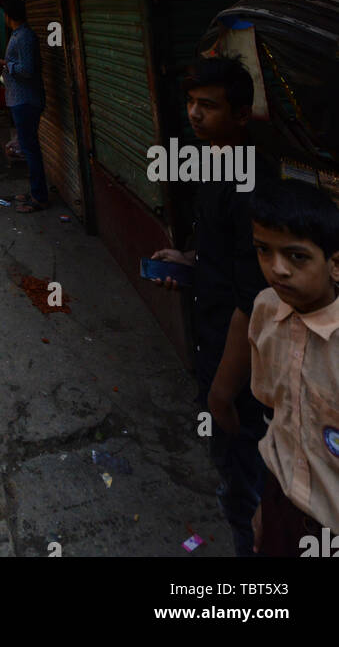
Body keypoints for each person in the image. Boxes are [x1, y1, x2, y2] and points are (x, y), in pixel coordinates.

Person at [151, 55, 278, 557]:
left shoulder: (252, 187)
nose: (195, 114)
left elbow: (255, 300)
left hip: (240, 367)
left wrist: (222, 392)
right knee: (233, 472)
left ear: (243, 114)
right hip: (213, 345)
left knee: (247, 484)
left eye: (209, 105)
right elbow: (220, 253)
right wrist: (188, 259)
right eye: (191, 104)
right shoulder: (214, 163)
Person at [217, 179, 339, 556]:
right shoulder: (266, 310)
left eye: (296, 256)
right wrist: (264, 509)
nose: (277, 269)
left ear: (335, 264)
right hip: (281, 506)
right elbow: (280, 418)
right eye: (263, 251)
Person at [0, 0, 49, 214]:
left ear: (8, 15)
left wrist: (5, 64)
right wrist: (4, 65)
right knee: (28, 148)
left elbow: (26, 70)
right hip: (19, 99)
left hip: (26, 100)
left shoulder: (24, 37)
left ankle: (40, 198)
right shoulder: (19, 35)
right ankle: (35, 191)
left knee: (30, 150)